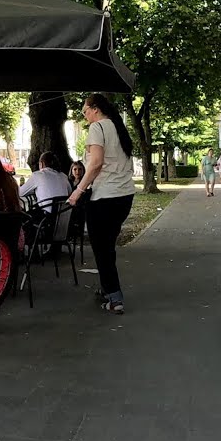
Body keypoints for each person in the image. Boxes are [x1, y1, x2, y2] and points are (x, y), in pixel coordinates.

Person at [68, 93, 136, 315]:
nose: (85, 116)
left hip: (104, 197)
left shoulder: (97, 128)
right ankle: (108, 288)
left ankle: (115, 297)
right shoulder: (119, 128)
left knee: (101, 249)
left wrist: (78, 191)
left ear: (95, 108)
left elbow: (95, 163)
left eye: (85, 111)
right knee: (107, 245)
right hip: (124, 196)